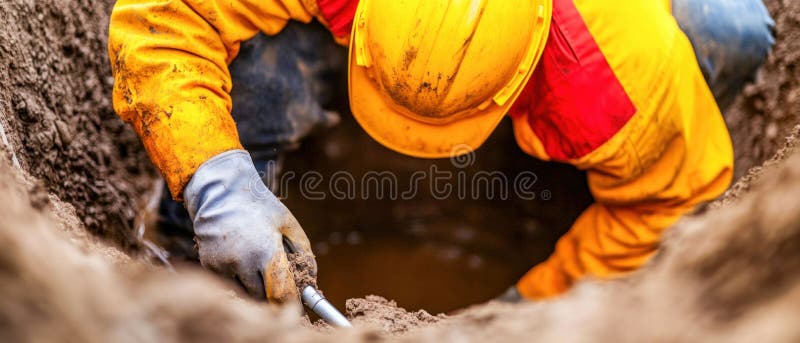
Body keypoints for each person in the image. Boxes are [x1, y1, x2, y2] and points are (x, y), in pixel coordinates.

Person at [108, 0, 774, 302]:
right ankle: (185, 239)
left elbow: (671, 203)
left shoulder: (620, 76)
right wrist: (216, 180)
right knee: (255, 70)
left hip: (602, 36)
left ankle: (571, 181)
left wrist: (529, 308)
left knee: (731, 30)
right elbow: (167, 17)